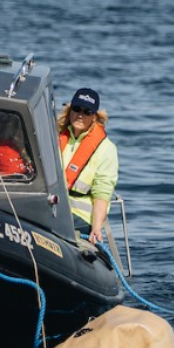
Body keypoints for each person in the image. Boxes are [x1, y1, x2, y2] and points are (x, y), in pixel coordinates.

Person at [57, 88, 118, 245]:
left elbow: (102, 193)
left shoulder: (106, 149)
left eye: (87, 111)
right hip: (52, 207)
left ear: (95, 117)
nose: (80, 115)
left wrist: (96, 228)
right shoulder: (55, 136)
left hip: (80, 218)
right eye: (76, 109)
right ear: (70, 110)